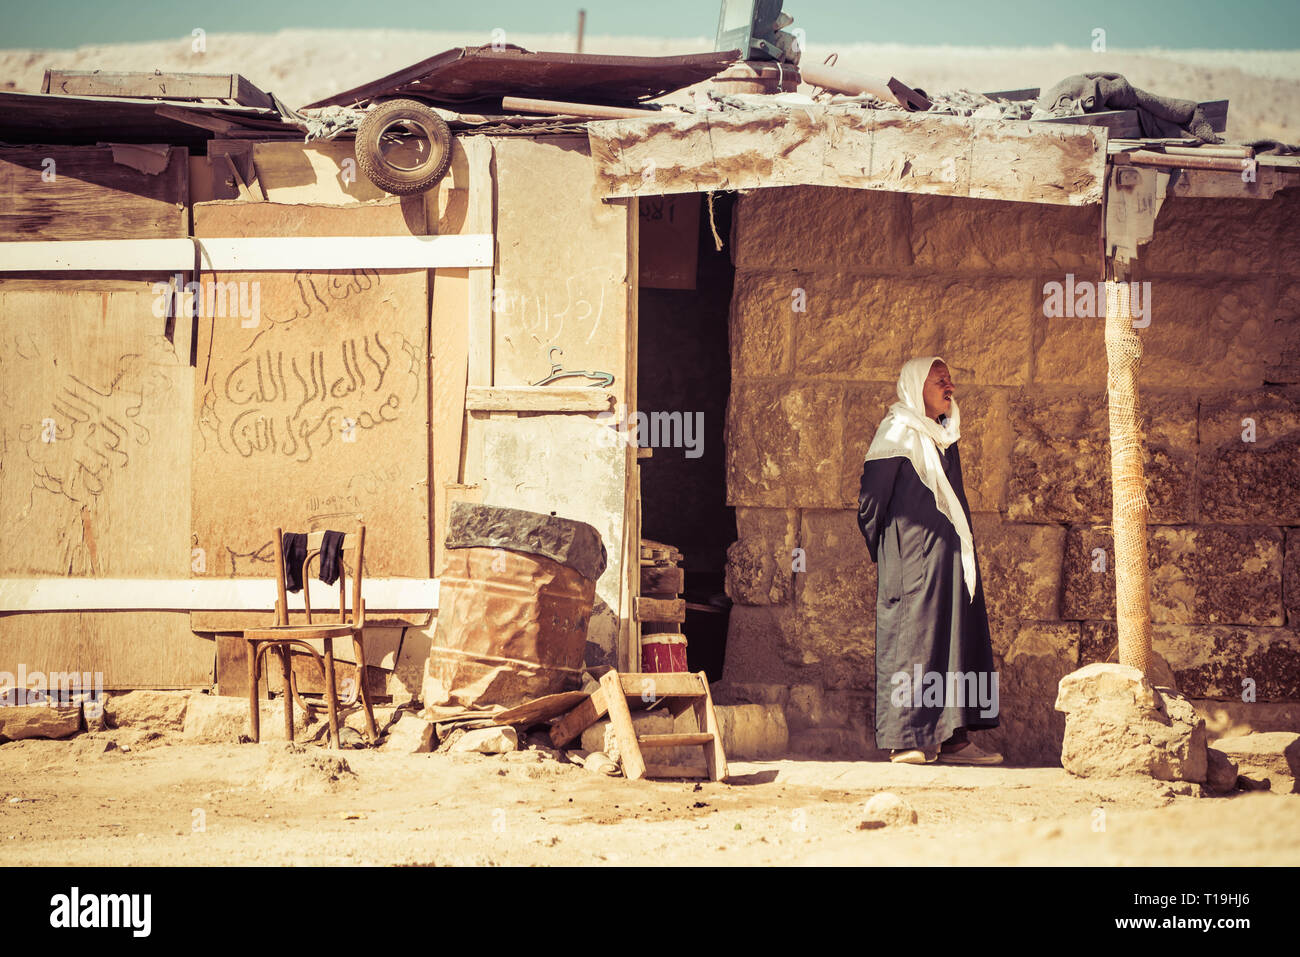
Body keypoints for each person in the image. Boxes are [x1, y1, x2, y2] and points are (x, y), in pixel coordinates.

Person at [856, 356, 1003, 765]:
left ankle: (954, 738)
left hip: (950, 564)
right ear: (916, 385)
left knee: (957, 643)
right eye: (940, 380)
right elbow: (870, 505)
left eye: (949, 379)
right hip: (914, 564)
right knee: (913, 644)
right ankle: (907, 740)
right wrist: (894, 554)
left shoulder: (942, 436)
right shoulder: (897, 433)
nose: (949, 386)